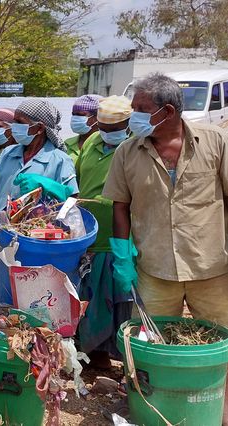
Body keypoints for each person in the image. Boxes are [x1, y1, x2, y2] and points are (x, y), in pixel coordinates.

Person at [103, 72, 228, 328]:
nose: (133, 115)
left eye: (141, 109)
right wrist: (122, 257)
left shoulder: (215, 141)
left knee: (220, 340)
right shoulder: (126, 152)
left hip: (211, 268)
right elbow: (120, 206)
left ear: (168, 111)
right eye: (133, 108)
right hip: (154, 269)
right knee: (149, 340)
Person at [0, 98, 78, 304]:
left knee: (26, 303)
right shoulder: (8, 154)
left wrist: (47, 184)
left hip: (32, 244)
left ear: (39, 128)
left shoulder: (59, 159)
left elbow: (72, 198)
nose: (14, 127)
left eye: (20, 121)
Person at [75, 95, 134, 369]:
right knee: (90, 300)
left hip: (120, 238)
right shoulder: (91, 143)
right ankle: (94, 355)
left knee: (119, 301)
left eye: (115, 129)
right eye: (103, 128)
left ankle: (120, 358)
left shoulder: (136, 148)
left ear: (128, 124)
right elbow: (79, 183)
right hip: (89, 235)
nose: (108, 134)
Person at [65, 94, 102, 162]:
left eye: (80, 115)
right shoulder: (66, 144)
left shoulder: (105, 145)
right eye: (73, 114)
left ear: (97, 117)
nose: (75, 118)